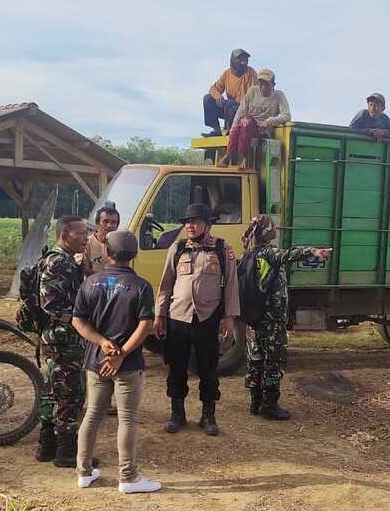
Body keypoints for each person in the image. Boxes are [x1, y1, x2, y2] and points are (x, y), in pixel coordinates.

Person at [71, 230, 161, 494]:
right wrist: (121, 354)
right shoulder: (141, 286)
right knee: (128, 419)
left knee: (92, 414)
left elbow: (78, 320)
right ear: (135, 255)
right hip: (129, 363)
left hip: (96, 361)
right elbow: (146, 325)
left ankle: (83, 472)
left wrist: (101, 342)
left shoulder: (90, 283)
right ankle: (128, 477)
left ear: (107, 253)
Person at [155, 202, 240, 436]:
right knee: (176, 366)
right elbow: (165, 285)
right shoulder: (178, 248)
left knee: (208, 367)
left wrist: (229, 318)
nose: (190, 226)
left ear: (207, 225)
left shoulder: (223, 249)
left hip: (207, 317)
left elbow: (231, 286)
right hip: (178, 317)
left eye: (195, 222)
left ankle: (208, 416)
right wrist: (160, 315)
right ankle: (177, 414)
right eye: (187, 222)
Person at [240, 215, 332, 420]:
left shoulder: (248, 253)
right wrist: (313, 251)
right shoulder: (268, 253)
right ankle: (270, 405)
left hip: (254, 319)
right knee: (273, 360)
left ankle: (255, 403)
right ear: (267, 232)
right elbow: (288, 255)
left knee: (255, 360)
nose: (277, 231)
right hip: (271, 321)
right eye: (274, 228)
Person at [36, 215, 89, 466]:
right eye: (80, 233)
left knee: (52, 390)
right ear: (65, 235)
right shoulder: (59, 262)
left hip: (54, 336)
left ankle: (47, 446)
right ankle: (66, 453)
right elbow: (49, 303)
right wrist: (78, 319)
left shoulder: (61, 259)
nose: (86, 238)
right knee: (70, 392)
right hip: (63, 337)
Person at [225, 68, 291, 168]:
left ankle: (245, 157)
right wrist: (232, 129)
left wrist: (269, 122)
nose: (262, 87)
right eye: (260, 83)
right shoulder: (252, 91)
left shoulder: (278, 96)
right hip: (247, 124)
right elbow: (240, 112)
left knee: (246, 122)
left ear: (273, 85)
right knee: (241, 124)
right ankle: (229, 155)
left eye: (266, 84)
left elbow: (286, 115)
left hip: (263, 130)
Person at [203, 49, 257, 137]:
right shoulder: (227, 74)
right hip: (229, 110)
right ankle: (216, 129)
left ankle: (230, 130)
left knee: (230, 103)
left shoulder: (251, 73)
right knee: (208, 99)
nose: (243, 61)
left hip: (244, 111)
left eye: (245, 59)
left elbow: (255, 95)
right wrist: (218, 96)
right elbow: (214, 88)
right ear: (232, 60)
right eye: (239, 59)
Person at [86, 204, 120, 275]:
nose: (109, 225)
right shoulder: (87, 243)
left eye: (113, 222)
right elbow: (84, 271)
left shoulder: (120, 245)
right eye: (105, 221)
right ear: (97, 223)